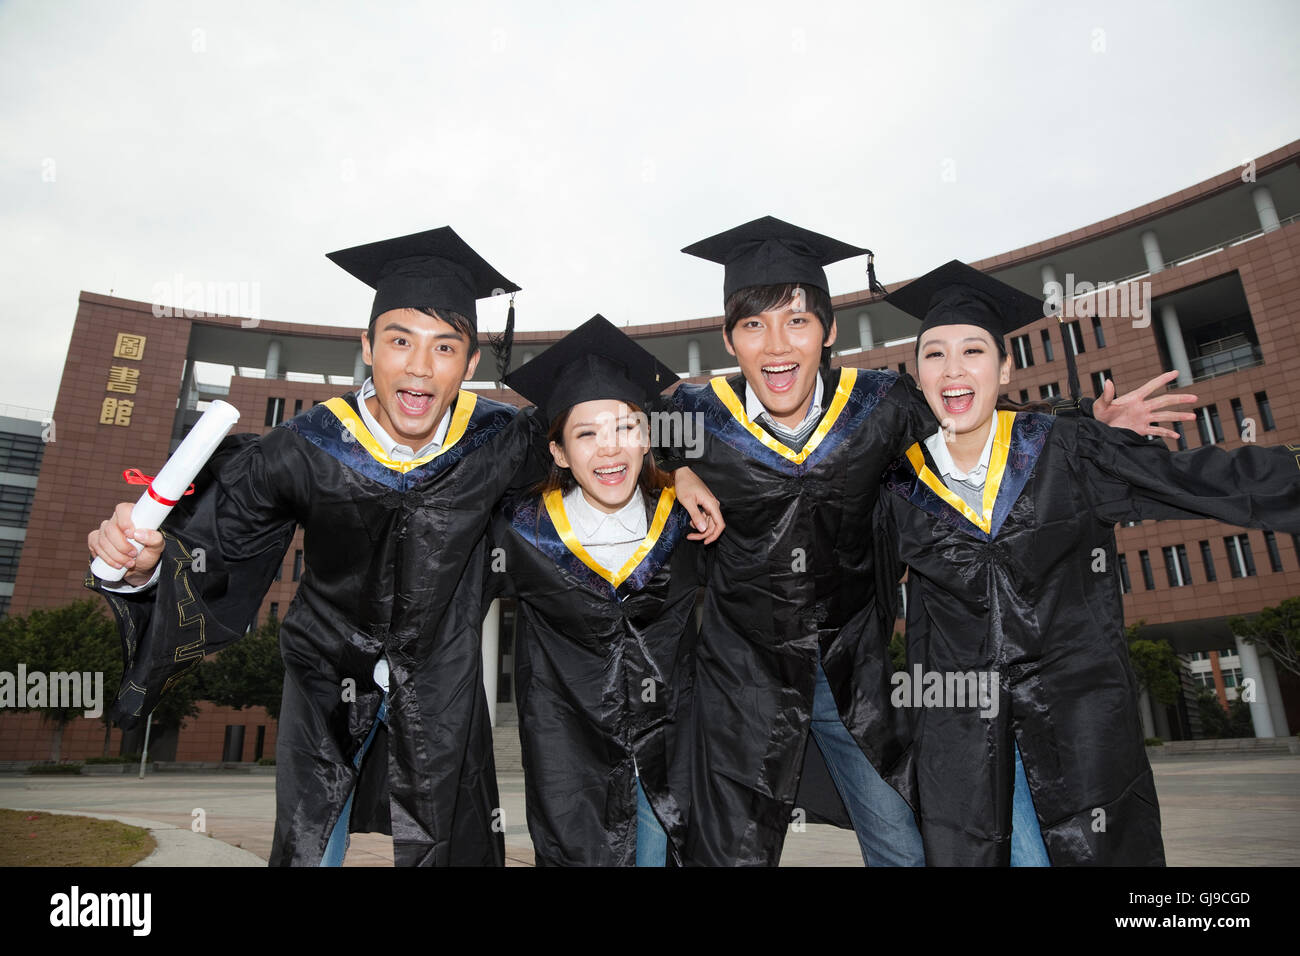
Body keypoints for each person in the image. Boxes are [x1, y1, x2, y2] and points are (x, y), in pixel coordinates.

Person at [662, 216, 1194, 866]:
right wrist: (679, 470)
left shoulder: (877, 403)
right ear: (728, 337)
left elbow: (968, 428)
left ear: (827, 331)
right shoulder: (698, 413)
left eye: (796, 321)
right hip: (741, 674)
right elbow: (622, 436)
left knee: (900, 844)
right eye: (753, 324)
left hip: (850, 670)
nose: (776, 344)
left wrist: (1085, 419)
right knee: (727, 849)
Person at [85, 226, 543, 867]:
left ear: (470, 365)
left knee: (454, 838)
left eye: (445, 347)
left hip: (443, 672)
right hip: (327, 667)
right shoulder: (305, 443)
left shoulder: (502, 440)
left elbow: (597, 467)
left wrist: (680, 467)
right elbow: (217, 544)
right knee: (308, 840)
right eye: (399, 340)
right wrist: (145, 567)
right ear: (367, 347)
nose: (419, 365)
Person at [876, 259, 1300, 865]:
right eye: (935, 355)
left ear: (1005, 365)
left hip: (1074, 712)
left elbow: (1200, 481)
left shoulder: (1069, 451)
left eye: (973, 350)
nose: (954, 369)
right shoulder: (898, 487)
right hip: (965, 728)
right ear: (917, 374)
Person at [487, 315, 707, 866]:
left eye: (625, 427)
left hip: (668, 749)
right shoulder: (522, 531)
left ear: (647, 437)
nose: (609, 449)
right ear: (558, 453)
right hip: (570, 757)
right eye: (585, 433)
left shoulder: (685, 524)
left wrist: (681, 473)